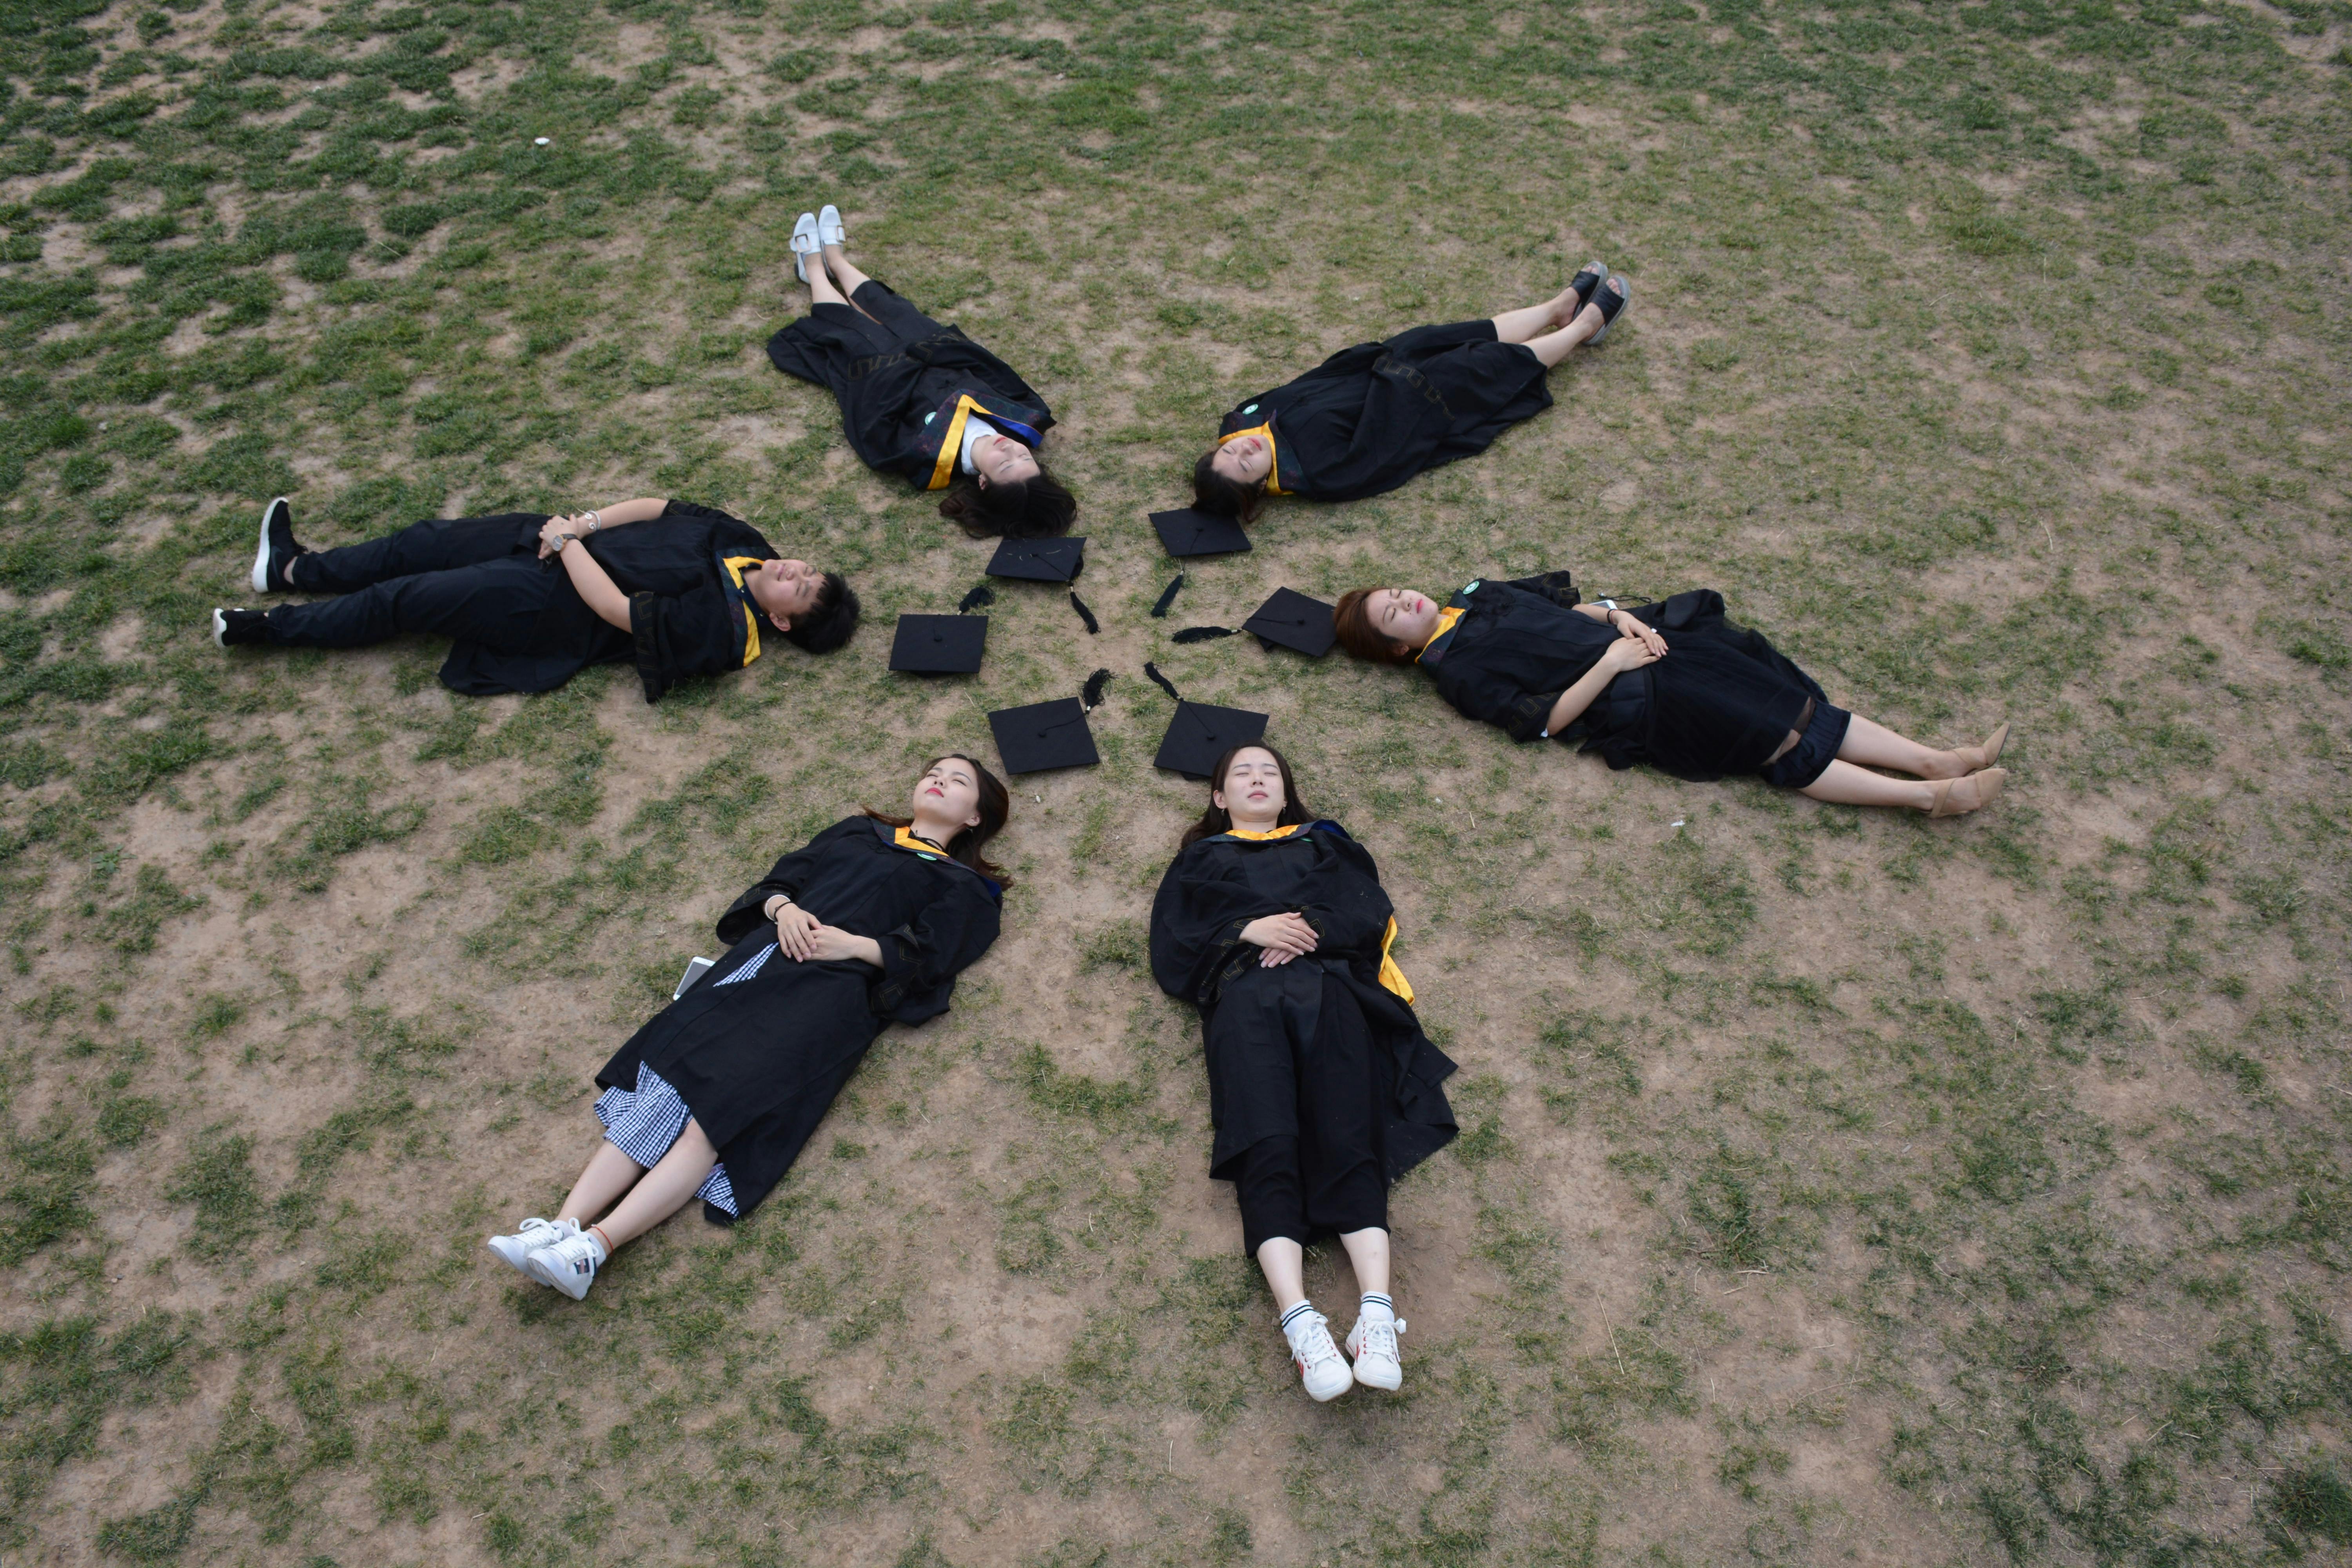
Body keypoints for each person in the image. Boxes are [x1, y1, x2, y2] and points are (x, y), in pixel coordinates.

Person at [486, 755, 1010, 1300]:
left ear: (975, 818)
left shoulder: (966, 888)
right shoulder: (859, 832)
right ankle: (560, 1228)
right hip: (755, 965)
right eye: (935, 772)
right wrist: (783, 909)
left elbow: (934, 956)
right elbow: (783, 878)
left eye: (958, 781)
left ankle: (593, 1250)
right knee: (665, 1091)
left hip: (826, 998)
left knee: (717, 1118)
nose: (939, 781)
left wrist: (852, 946)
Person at [1150, 744, 1457, 1402]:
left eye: (1270, 773)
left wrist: (1301, 928)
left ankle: (1376, 1313)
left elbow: (1367, 913)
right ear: (1219, 799)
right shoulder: (1199, 863)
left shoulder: (1325, 845)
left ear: (1286, 796)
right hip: (1244, 1008)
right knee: (1266, 1140)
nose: (1258, 780)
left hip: (1330, 994)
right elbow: (1173, 948)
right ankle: (1300, 1322)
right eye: (1242, 773)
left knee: (1349, 1133)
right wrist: (1248, 929)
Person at [1333, 574, 2010, 814]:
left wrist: (1620, 618)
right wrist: (1613, 663)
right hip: (1633, 700)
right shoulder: (1456, 672)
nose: (1406, 602)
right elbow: (1542, 722)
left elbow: (1569, 611)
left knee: (1787, 699)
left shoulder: (1473, 595)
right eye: (1394, 615)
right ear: (1397, 650)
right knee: (1771, 737)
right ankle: (1924, 798)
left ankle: (1934, 759)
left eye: (1395, 594)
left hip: (1650, 647)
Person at [210, 494, 857, 702]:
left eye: (798, 589)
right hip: (556, 545)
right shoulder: (748, 543)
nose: (794, 569)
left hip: (549, 605)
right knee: (425, 542)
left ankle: (267, 630)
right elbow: (662, 505)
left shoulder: (722, 631)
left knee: (407, 598)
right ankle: (292, 569)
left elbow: (617, 613)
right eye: (806, 570)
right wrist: (585, 525)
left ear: (779, 618)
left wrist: (568, 547)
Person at [1191, 263, 1630, 521]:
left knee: (1448, 335)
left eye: (1227, 455)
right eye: (1245, 466)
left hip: (1379, 366)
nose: (1241, 451)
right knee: (1478, 365)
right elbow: (1385, 451)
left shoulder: (1241, 421)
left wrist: (1375, 359)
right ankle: (1583, 328)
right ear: (1260, 489)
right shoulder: (1316, 475)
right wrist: (1402, 383)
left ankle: (1557, 307)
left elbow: (1309, 383)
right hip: (1418, 400)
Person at [767, 203, 1075, 538]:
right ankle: (837, 261)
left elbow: (872, 422)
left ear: (983, 482)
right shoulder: (1028, 418)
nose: (1011, 450)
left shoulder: (925, 460)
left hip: (884, 371)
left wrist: (900, 368)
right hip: (938, 351)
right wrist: (942, 350)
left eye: (1005, 465)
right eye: (1025, 459)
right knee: (898, 313)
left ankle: (812, 268)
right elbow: (994, 369)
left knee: (857, 336)